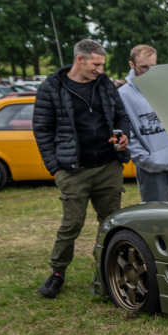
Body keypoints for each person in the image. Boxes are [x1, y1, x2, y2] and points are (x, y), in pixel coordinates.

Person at [32, 39, 130, 299]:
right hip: (73, 169)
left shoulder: (106, 84)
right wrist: (55, 167)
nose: (99, 69)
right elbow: (42, 130)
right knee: (71, 224)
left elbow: (121, 116)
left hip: (109, 165)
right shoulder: (51, 87)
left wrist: (123, 136)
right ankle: (57, 274)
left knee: (112, 224)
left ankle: (107, 274)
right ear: (80, 59)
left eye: (102, 64)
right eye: (95, 64)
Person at [118, 44, 168, 203]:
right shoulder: (123, 95)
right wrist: (146, 160)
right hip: (152, 168)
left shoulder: (166, 89)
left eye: (153, 67)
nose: (148, 71)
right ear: (131, 65)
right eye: (144, 67)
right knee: (156, 216)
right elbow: (125, 131)